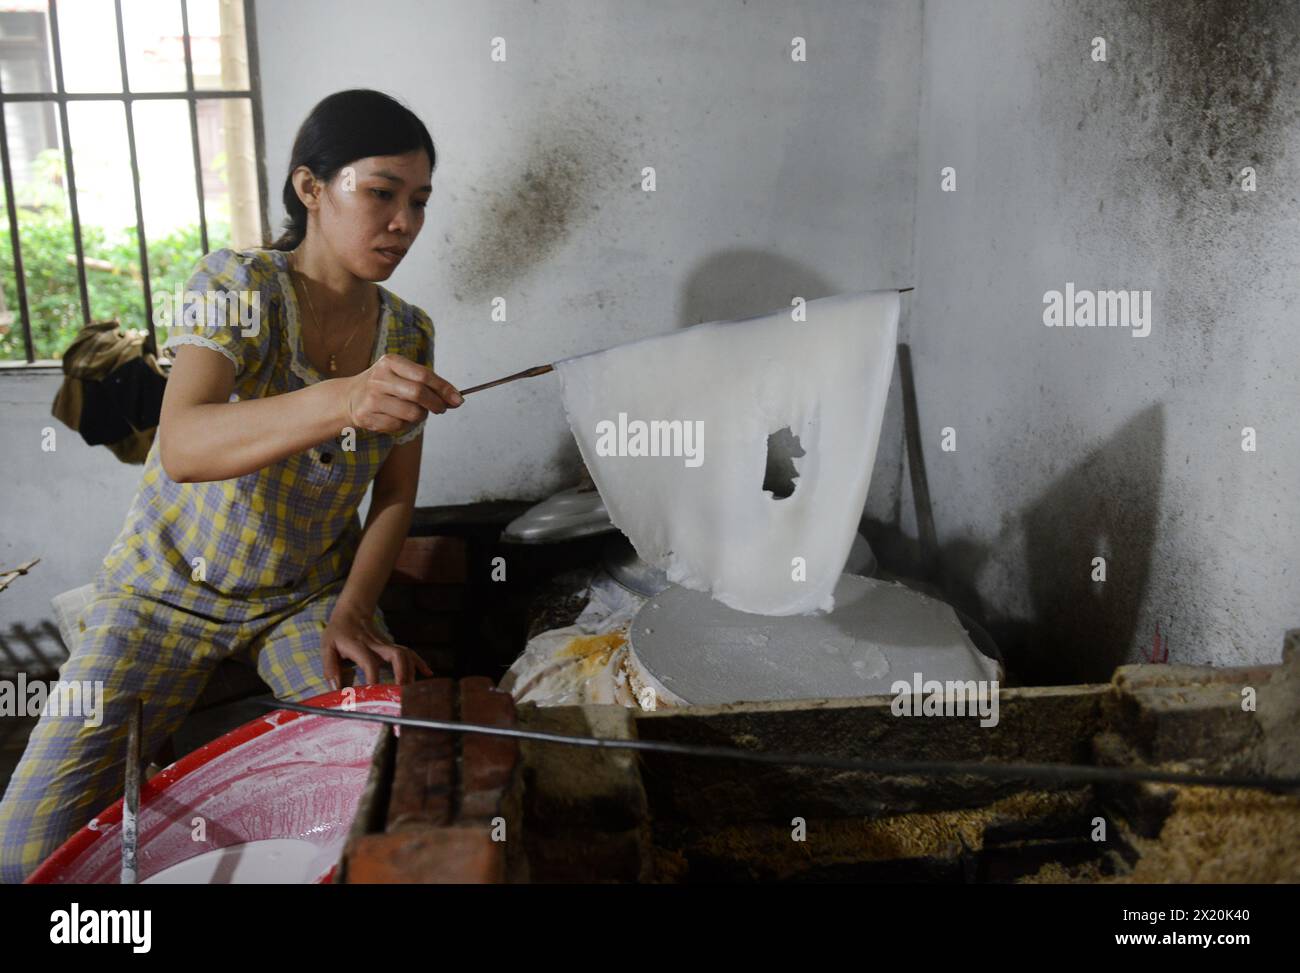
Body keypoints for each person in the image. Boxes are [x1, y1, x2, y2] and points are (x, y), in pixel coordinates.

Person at [0, 89, 463, 883]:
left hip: (305, 596)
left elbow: (392, 498)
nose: (405, 223)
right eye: (381, 193)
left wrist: (352, 610)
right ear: (311, 188)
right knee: (23, 850)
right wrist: (342, 398)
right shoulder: (238, 286)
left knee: (379, 777)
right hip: (164, 590)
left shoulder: (407, 330)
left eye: (419, 201)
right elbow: (182, 442)